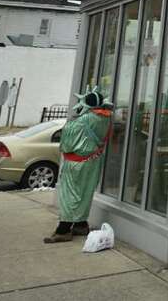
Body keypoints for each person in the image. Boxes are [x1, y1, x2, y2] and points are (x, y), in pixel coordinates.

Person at [45, 86, 112, 243]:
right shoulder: (106, 119)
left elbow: (66, 146)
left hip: (76, 162)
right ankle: (81, 224)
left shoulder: (79, 122)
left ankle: (64, 229)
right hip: (94, 161)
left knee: (70, 195)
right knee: (86, 192)